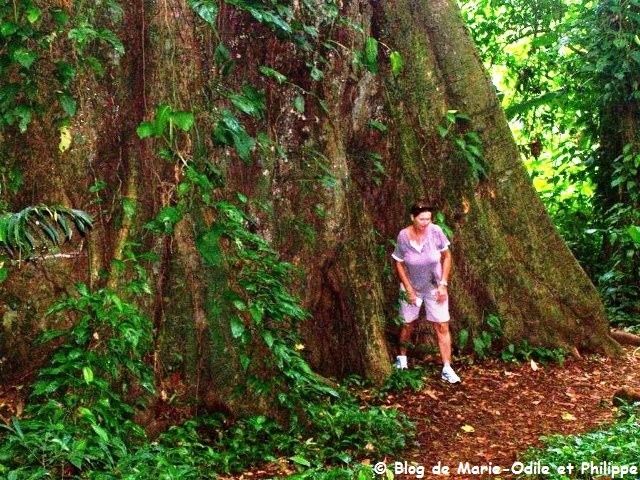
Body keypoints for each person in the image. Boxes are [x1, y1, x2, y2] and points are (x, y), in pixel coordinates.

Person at [391, 203, 461, 383]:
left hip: (434, 286)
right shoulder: (403, 236)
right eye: (422, 219)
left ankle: (447, 367)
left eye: (428, 219)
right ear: (412, 218)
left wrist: (443, 284)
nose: (425, 223)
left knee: (442, 325)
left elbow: (447, 256)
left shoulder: (436, 231)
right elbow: (398, 262)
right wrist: (408, 288)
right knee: (407, 323)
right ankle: (402, 359)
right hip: (412, 286)